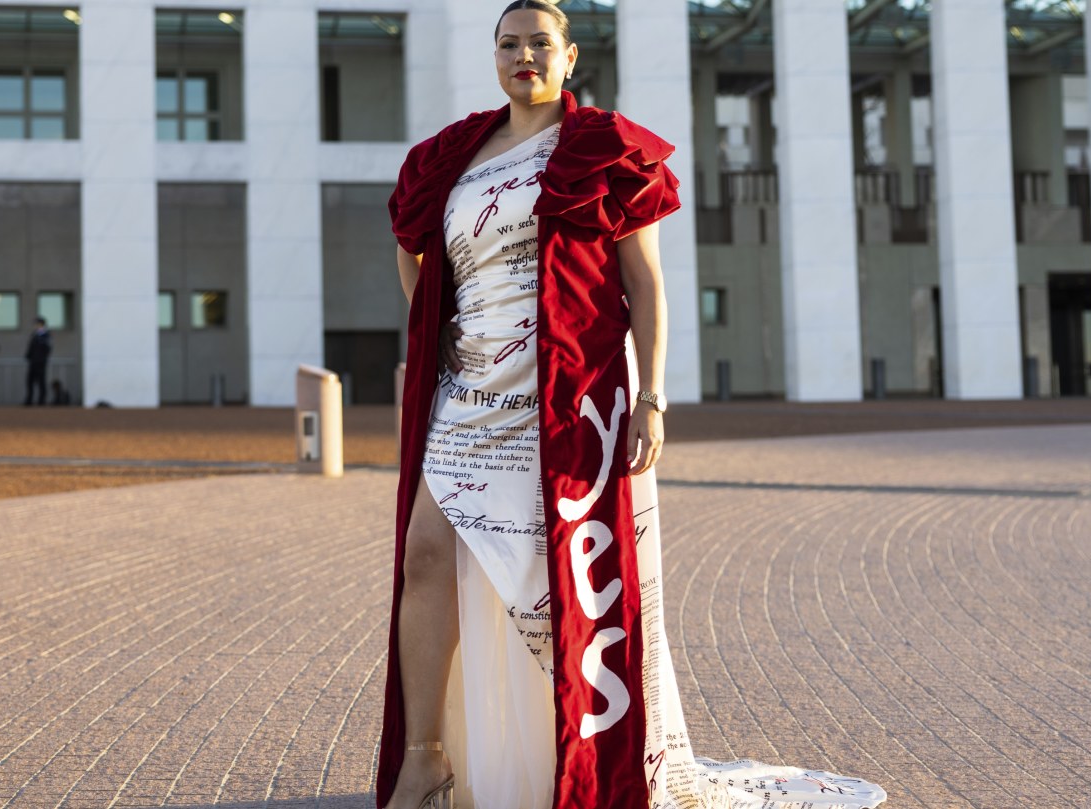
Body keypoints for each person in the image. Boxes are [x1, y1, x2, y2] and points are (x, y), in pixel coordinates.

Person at [379, 4, 886, 809]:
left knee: (567, 585)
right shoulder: (455, 156)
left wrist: (651, 395)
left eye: (540, 44)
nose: (523, 57)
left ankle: (571, 762)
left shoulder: (602, 148)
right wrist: (434, 325)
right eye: (508, 45)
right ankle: (425, 755)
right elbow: (415, 250)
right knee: (426, 557)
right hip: (467, 397)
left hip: (566, 399)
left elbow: (645, 285)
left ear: (570, 56)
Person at [24, 317, 51, 406]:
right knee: (30, 381)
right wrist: (28, 356)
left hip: (41, 363)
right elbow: (31, 347)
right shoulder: (34, 335)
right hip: (33, 362)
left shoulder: (46, 335)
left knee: (41, 382)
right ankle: (29, 400)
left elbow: (47, 349)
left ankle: (41, 401)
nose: (35, 326)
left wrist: (42, 359)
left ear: (41, 324)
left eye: (36, 324)